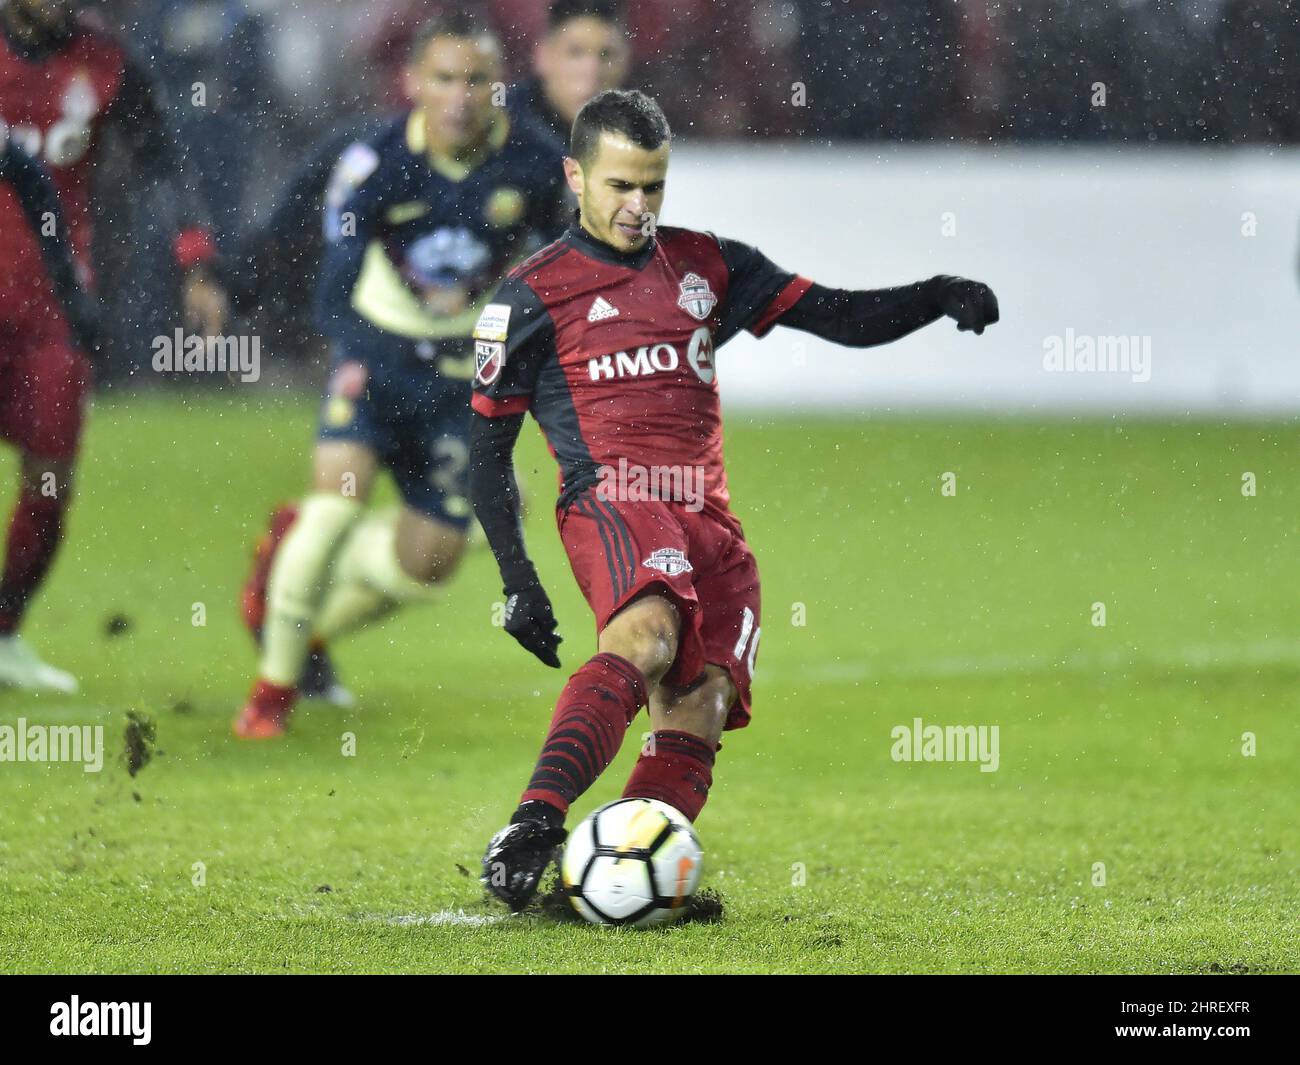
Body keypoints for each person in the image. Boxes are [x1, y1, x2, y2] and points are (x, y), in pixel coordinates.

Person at [469, 89, 1000, 909]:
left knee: (701, 702)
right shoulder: (529, 297)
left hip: (709, 519)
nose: (638, 207)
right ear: (575, 175)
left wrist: (933, 294)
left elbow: (834, 314)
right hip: (615, 499)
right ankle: (535, 820)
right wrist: (517, 579)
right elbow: (487, 453)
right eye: (619, 186)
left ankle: (609, 885)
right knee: (645, 637)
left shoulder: (709, 264)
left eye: (653, 187)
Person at [233, 14, 568, 739]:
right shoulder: (375, 161)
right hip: (379, 361)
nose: (459, 95)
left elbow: (561, 268)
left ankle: (307, 621)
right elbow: (335, 284)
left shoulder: (536, 165)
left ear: (498, 87)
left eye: (475, 79)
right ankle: (271, 694)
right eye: (444, 78)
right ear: (413, 83)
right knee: (334, 506)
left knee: (430, 563)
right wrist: (356, 354)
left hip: (461, 382)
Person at [0, 0, 225, 692]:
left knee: (50, 478)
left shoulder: (106, 62)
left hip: (53, 307)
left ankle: (4, 633)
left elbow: (161, 158)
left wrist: (195, 257)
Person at [505, 0, 629, 148]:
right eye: (575, 53)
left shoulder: (643, 136)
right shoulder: (499, 134)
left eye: (606, 54)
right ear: (543, 56)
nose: (592, 71)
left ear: (626, 59)